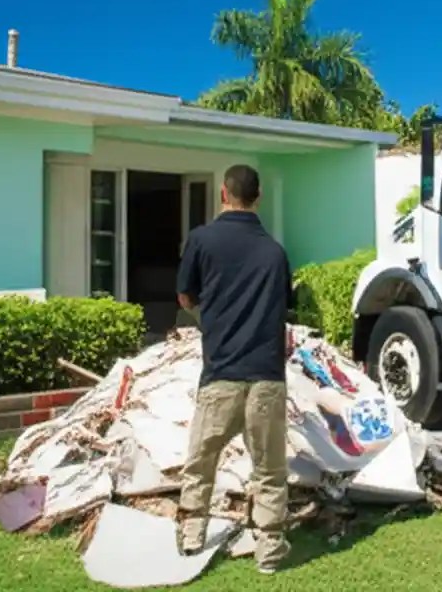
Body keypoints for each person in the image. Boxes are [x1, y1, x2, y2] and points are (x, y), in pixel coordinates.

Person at [175, 164, 293, 575]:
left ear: (223, 194)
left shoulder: (202, 241)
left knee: (201, 460)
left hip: (221, 374)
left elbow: (185, 296)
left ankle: (191, 537)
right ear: (257, 197)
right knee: (269, 468)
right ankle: (270, 550)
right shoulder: (275, 251)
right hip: (267, 378)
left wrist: (212, 312)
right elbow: (282, 309)